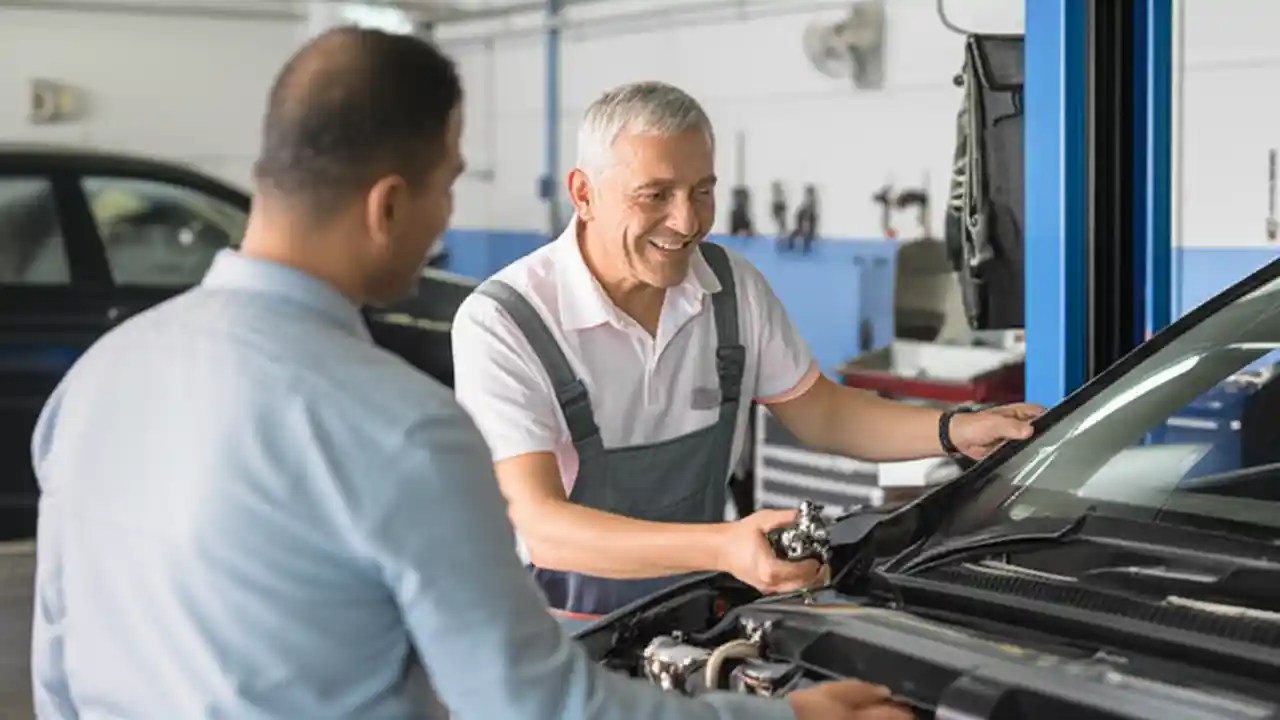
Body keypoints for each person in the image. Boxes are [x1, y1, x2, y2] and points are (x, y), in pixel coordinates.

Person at [29, 27, 909, 720]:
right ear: (388, 205)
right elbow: (532, 704)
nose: (448, 218)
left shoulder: (98, 380)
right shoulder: (399, 425)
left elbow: (58, 669)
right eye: (449, 184)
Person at [450, 80, 1043, 624]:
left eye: (701, 191)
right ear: (584, 193)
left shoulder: (729, 290)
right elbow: (544, 527)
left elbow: (824, 412)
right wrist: (723, 545)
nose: (686, 222)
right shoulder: (505, 322)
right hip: (548, 635)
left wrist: (956, 430)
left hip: (693, 613)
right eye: (655, 194)